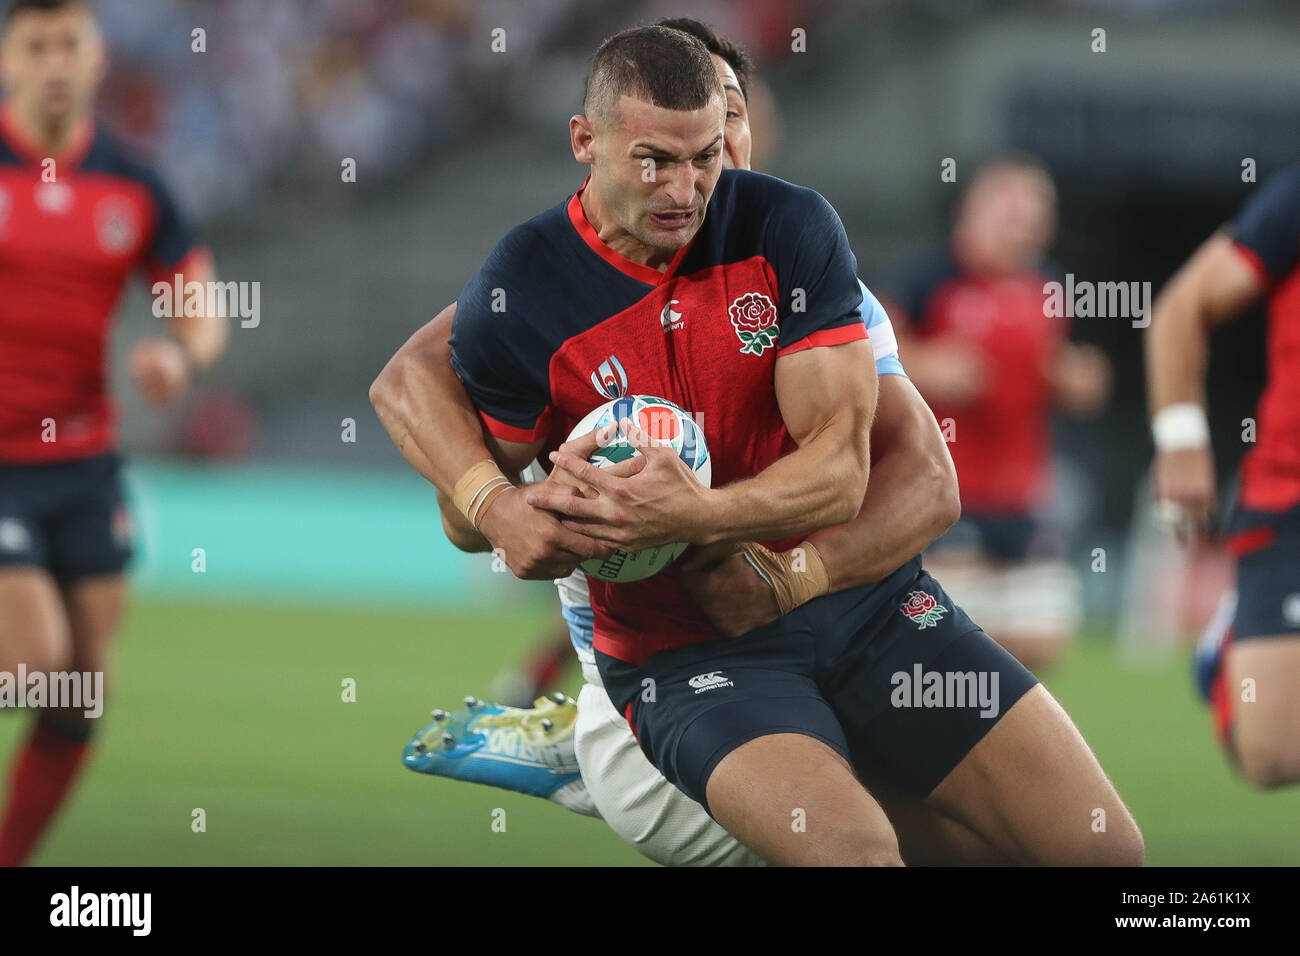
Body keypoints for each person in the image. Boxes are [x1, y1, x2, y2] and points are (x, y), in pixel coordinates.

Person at [379, 24, 1142, 866]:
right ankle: (606, 750)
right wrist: (498, 505)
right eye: (657, 157)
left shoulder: (795, 236)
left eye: (714, 140)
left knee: (1100, 855)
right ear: (586, 142)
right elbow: (413, 387)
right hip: (684, 654)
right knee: (865, 853)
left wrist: (739, 543)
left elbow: (900, 477)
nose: (691, 180)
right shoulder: (531, 281)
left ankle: (606, 759)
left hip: (869, 613)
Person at [0, 0, 226, 866]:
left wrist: (181, 353)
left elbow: (199, 302)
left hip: (86, 464)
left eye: (71, 44)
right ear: (10, 61)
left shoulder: (133, 180)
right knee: (33, 664)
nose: (56, 61)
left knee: (81, 695)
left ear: (96, 59)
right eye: (37, 45)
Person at [880, 156, 1111, 673]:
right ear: (971, 210)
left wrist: (1077, 377)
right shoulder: (926, 280)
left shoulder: (1047, 289)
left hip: (1023, 494)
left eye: (1035, 208)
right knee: (946, 642)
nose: (1024, 220)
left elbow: (1061, 369)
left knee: (1040, 644)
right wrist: (926, 364)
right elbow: (867, 360)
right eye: (1009, 205)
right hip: (943, 493)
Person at [1147, 164, 1300, 789]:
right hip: (1291, 497)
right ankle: (1226, 651)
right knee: (1273, 759)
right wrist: (1181, 442)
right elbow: (1184, 306)